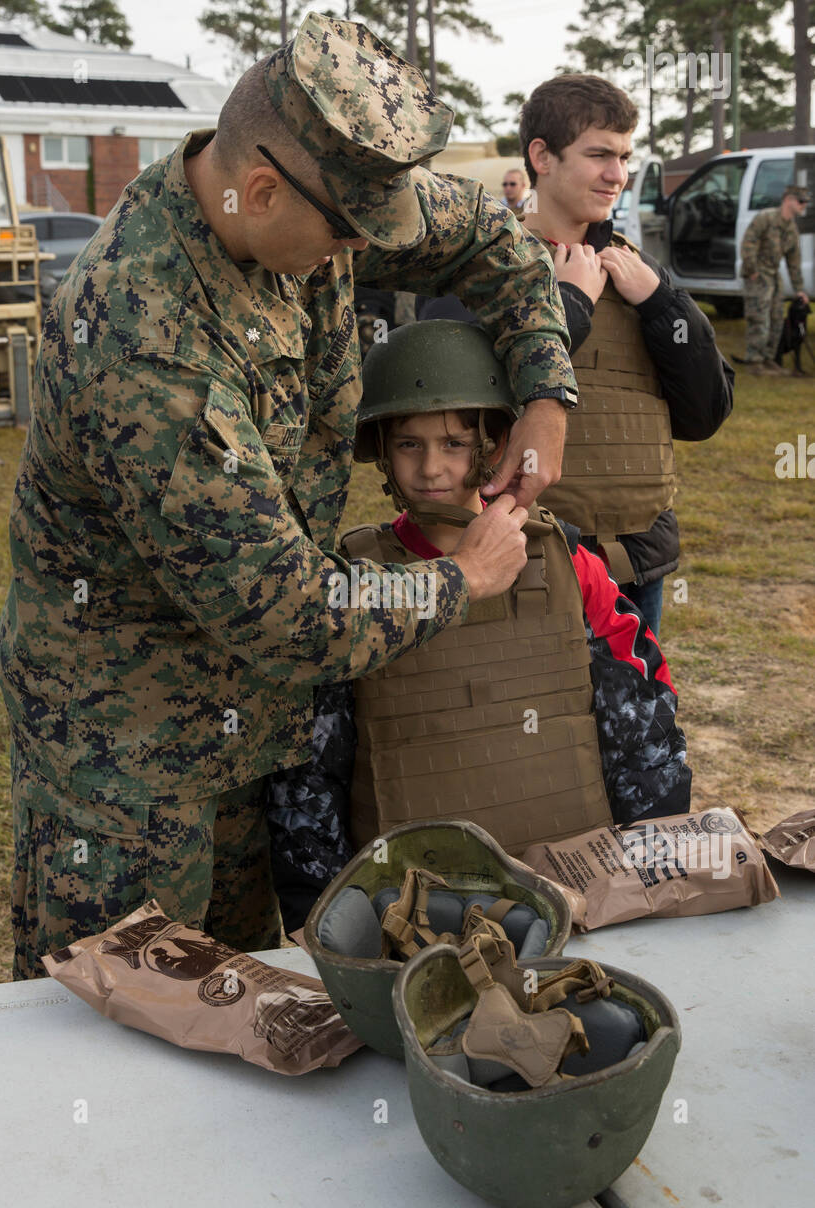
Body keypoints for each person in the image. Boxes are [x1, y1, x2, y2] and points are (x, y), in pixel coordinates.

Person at [0, 13, 579, 980]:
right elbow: (292, 615)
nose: (359, 251)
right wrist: (459, 580)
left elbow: (494, 243)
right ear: (261, 189)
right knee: (113, 1032)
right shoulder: (141, 338)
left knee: (237, 995)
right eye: (347, 234)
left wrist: (547, 397)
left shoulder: (303, 202)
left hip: (244, 723)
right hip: (124, 757)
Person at [267, 320, 690, 913]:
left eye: (454, 444)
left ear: (493, 444)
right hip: (412, 915)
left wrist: (647, 868)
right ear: (382, 452)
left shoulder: (567, 564)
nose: (432, 468)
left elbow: (644, 718)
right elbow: (311, 771)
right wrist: (323, 909)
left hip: (574, 900)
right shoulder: (355, 582)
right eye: (409, 444)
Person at [419, 74, 734, 637]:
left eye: (624, 156)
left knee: (635, 722)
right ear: (542, 155)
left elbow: (705, 413)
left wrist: (665, 304)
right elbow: (443, 403)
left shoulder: (638, 273)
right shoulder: (484, 268)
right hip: (523, 556)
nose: (618, 174)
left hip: (636, 559)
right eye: (598, 155)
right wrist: (568, 306)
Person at [741, 184, 810, 375]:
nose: (804, 205)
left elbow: (793, 261)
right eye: (801, 201)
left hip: (773, 275)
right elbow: (749, 242)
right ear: (788, 200)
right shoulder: (766, 218)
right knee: (759, 317)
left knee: (776, 318)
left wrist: (799, 289)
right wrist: (751, 270)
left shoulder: (791, 228)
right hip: (758, 274)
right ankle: (754, 362)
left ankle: (769, 359)